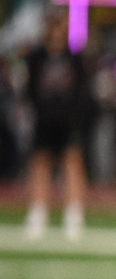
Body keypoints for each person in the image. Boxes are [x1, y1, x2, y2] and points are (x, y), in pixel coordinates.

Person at [22, 13, 94, 240]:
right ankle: (38, 212)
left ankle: (74, 213)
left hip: (68, 121)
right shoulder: (37, 56)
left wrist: (76, 117)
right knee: (41, 163)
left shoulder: (74, 57)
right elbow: (31, 89)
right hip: (44, 120)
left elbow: (83, 91)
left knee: (72, 162)